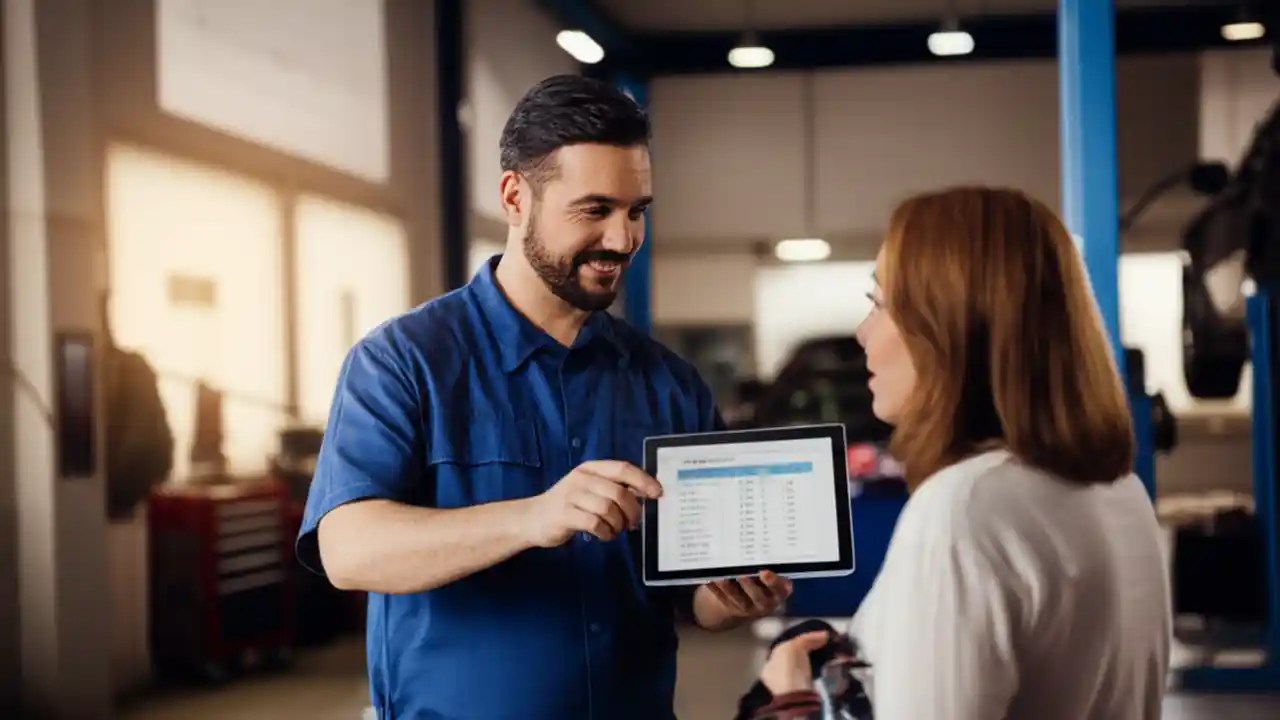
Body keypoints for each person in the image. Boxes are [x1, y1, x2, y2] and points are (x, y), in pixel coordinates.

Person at [296, 74, 792, 720]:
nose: (623, 239)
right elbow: (348, 549)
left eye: (636, 210)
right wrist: (531, 518)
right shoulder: (402, 363)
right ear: (514, 198)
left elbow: (693, 592)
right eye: (594, 210)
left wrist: (728, 600)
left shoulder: (670, 386)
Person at [752, 187, 1171, 719]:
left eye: (879, 304)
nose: (862, 334)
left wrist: (791, 702)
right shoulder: (1118, 491)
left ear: (949, 329)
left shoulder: (965, 507)